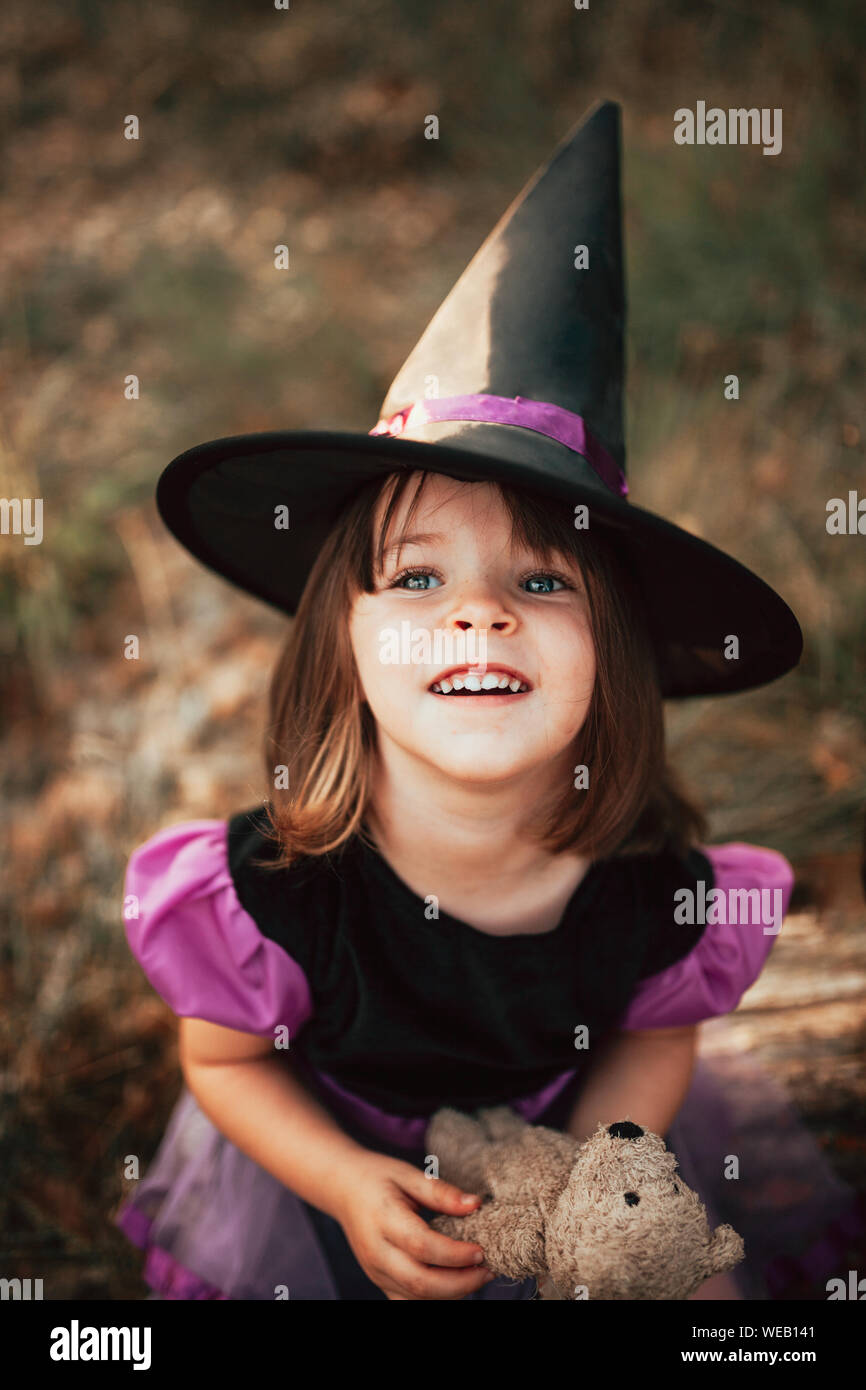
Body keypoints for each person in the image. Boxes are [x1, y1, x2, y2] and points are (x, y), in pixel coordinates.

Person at [114, 102, 863, 1300]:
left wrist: (585, 1176)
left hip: (546, 1144)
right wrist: (345, 1182)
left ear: (615, 654)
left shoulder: (648, 886)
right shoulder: (272, 895)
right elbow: (230, 1062)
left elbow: (647, 1031)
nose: (478, 615)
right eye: (416, 576)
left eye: (539, 580)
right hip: (326, 1171)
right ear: (340, 648)